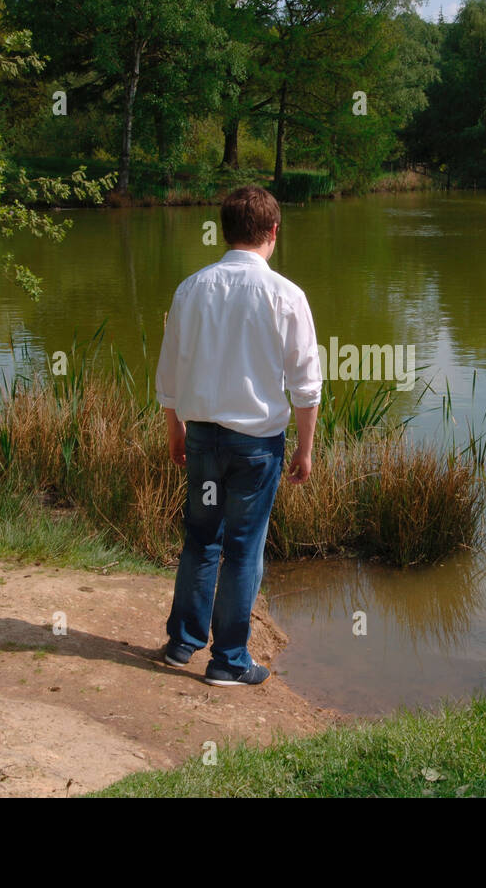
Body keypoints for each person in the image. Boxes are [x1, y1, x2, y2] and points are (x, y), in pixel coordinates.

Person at [155, 185, 322, 686]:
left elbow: (169, 373)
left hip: (204, 440)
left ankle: (182, 643)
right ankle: (228, 661)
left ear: (224, 231)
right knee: (244, 548)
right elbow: (306, 385)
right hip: (254, 448)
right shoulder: (287, 295)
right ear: (274, 232)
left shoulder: (191, 288)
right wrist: (307, 449)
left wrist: (176, 430)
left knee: (201, 538)